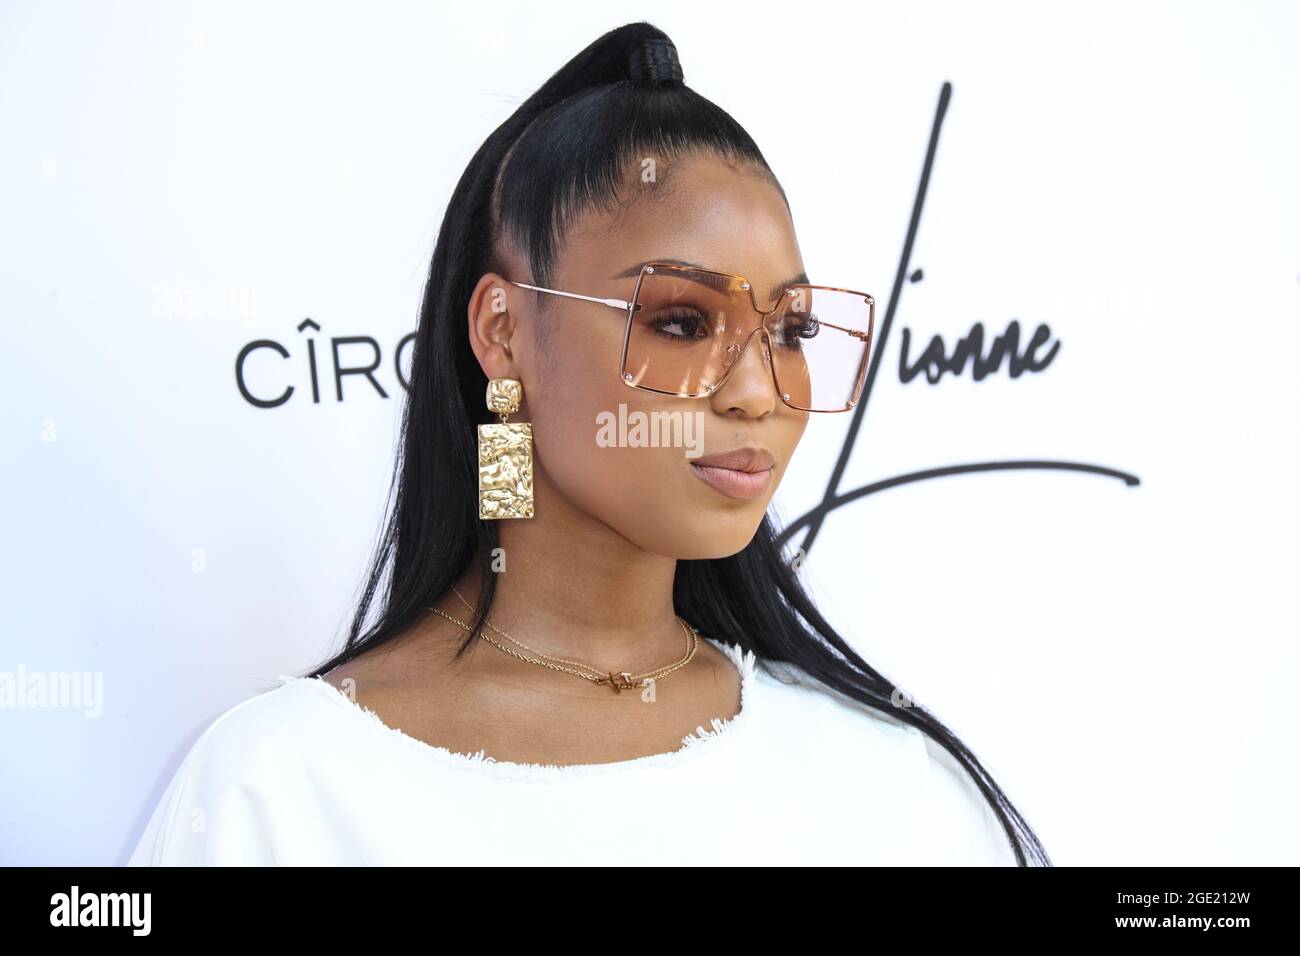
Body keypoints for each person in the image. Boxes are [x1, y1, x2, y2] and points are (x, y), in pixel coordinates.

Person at [128, 21, 1049, 866]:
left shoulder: (890, 791)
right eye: (684, 321)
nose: (760, 393)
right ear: (502, 331)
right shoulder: (280, 791)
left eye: (792, 331)